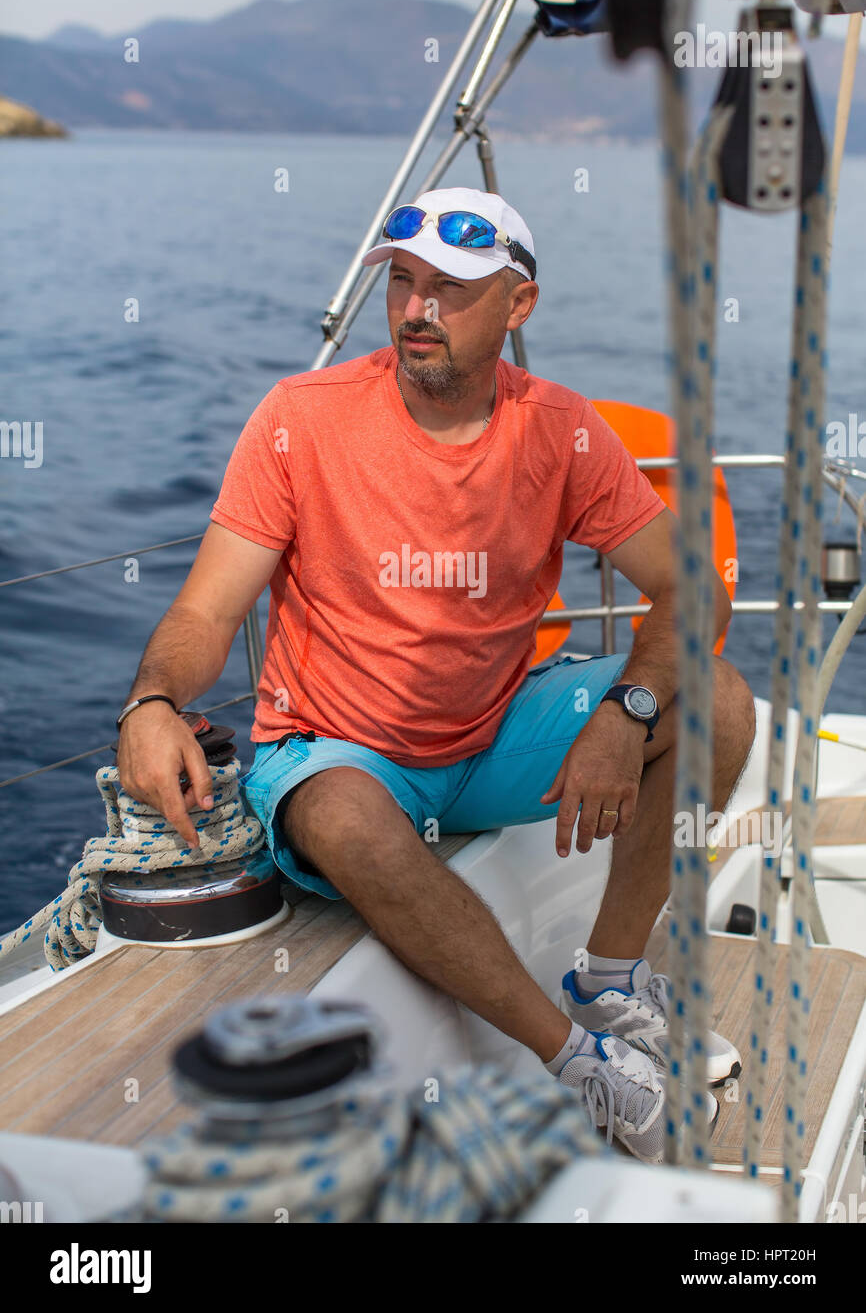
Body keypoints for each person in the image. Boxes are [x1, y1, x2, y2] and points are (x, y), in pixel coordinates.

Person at [117, 186, 756, 1163]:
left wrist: (625, 712)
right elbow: (207, 612)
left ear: (517, 305)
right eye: (402, 283)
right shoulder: (300, 418)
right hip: (337, 753)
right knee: (338, 815)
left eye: (451, 289)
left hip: (488, 736)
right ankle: (580, 1060)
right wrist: (154, 699)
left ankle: (610, 977)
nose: (417, 308)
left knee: (715, 702)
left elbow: (685, 587)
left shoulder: (560, 431)